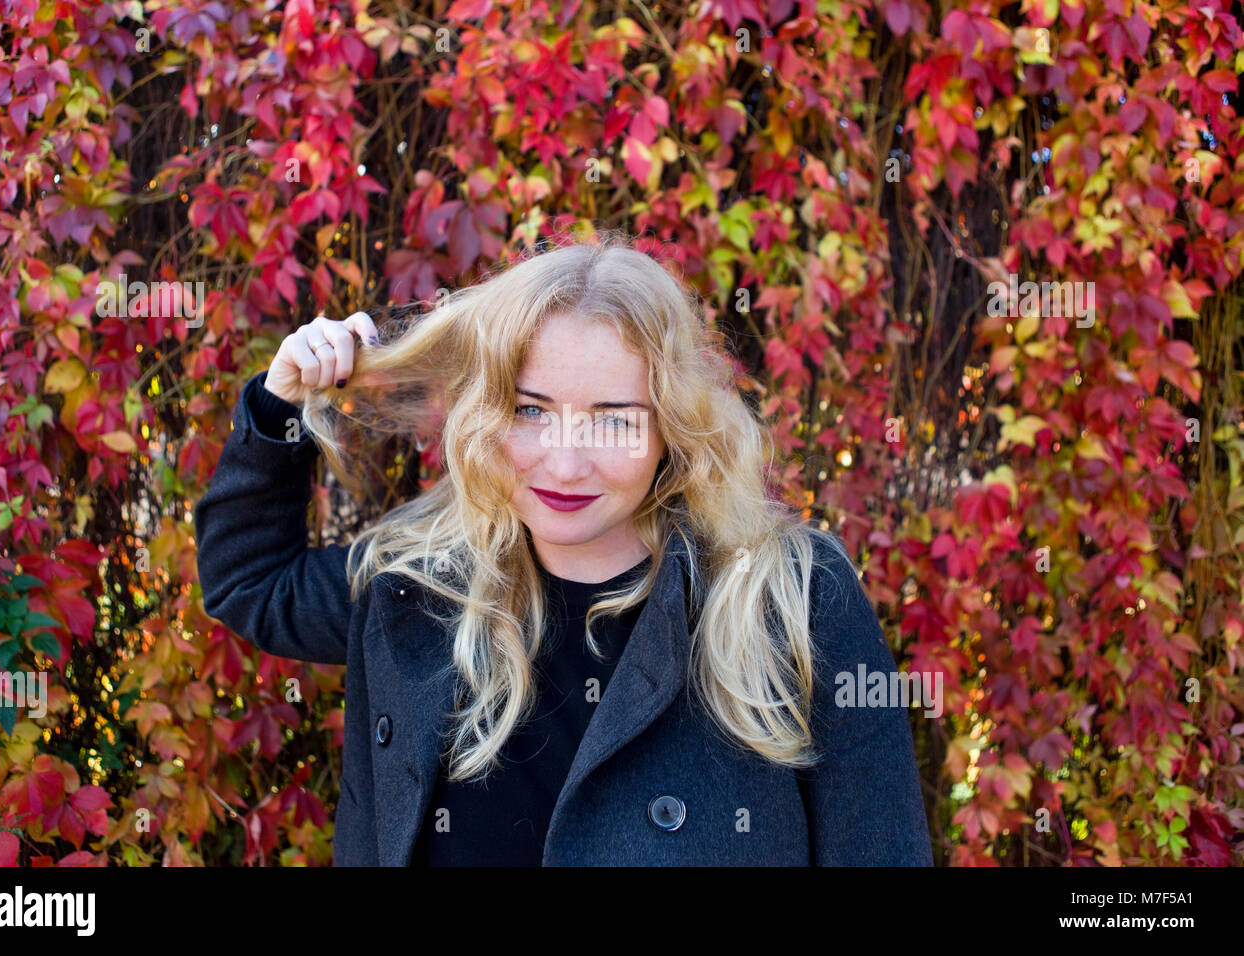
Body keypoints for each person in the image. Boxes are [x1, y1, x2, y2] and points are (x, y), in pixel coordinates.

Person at [194, 229, 933, 865]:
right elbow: (251, 583)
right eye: (529, 411)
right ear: (483, 413)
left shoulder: (790, 598)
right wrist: (279, 402)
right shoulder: (421, 591)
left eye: (615, 420)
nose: (566, 462)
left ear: (672, 428)